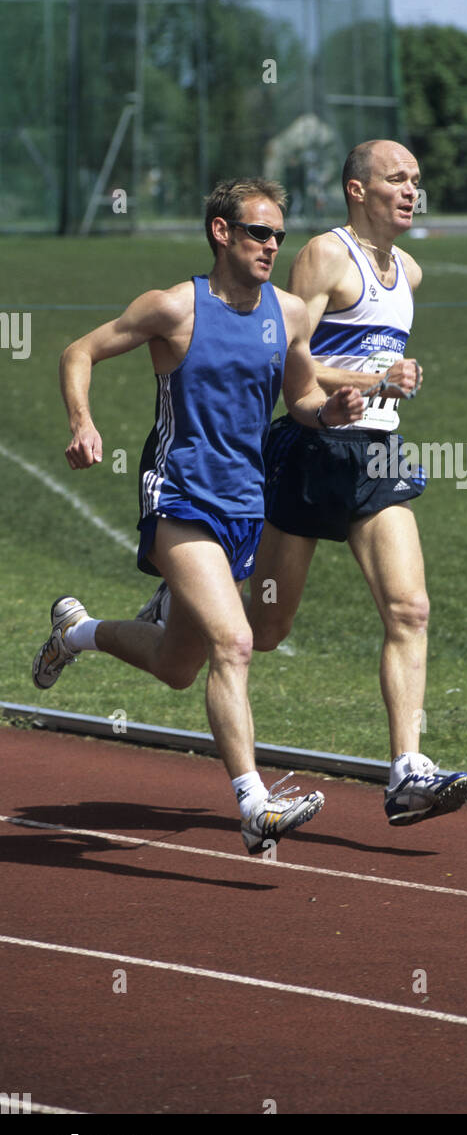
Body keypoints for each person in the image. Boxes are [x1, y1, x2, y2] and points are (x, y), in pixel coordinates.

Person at [32, 177, 364, 854]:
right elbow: (79, 352)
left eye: (278, 234)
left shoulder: (291, 313)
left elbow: (300, 399)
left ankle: (77, 632)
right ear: (222, 232)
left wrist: (327, 413)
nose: (273, 245)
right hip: (178, 496)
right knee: (235, 642)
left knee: (178, 664)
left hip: (247, 503)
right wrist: (82, 424)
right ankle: (253, 803)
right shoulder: (173, 308)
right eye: (258, 232)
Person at [254, 139, 467, 826]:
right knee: (265, 628)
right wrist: (365, 383)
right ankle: (175, 606)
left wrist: (385, 389)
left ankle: (407, 771)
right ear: (357, 190)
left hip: (376, 455)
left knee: (410, 610)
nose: (411, 192)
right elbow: (288, 368)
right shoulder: (324, 255)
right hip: (310, 451)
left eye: (416, 180)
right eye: (395, 180)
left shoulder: (407, 271)